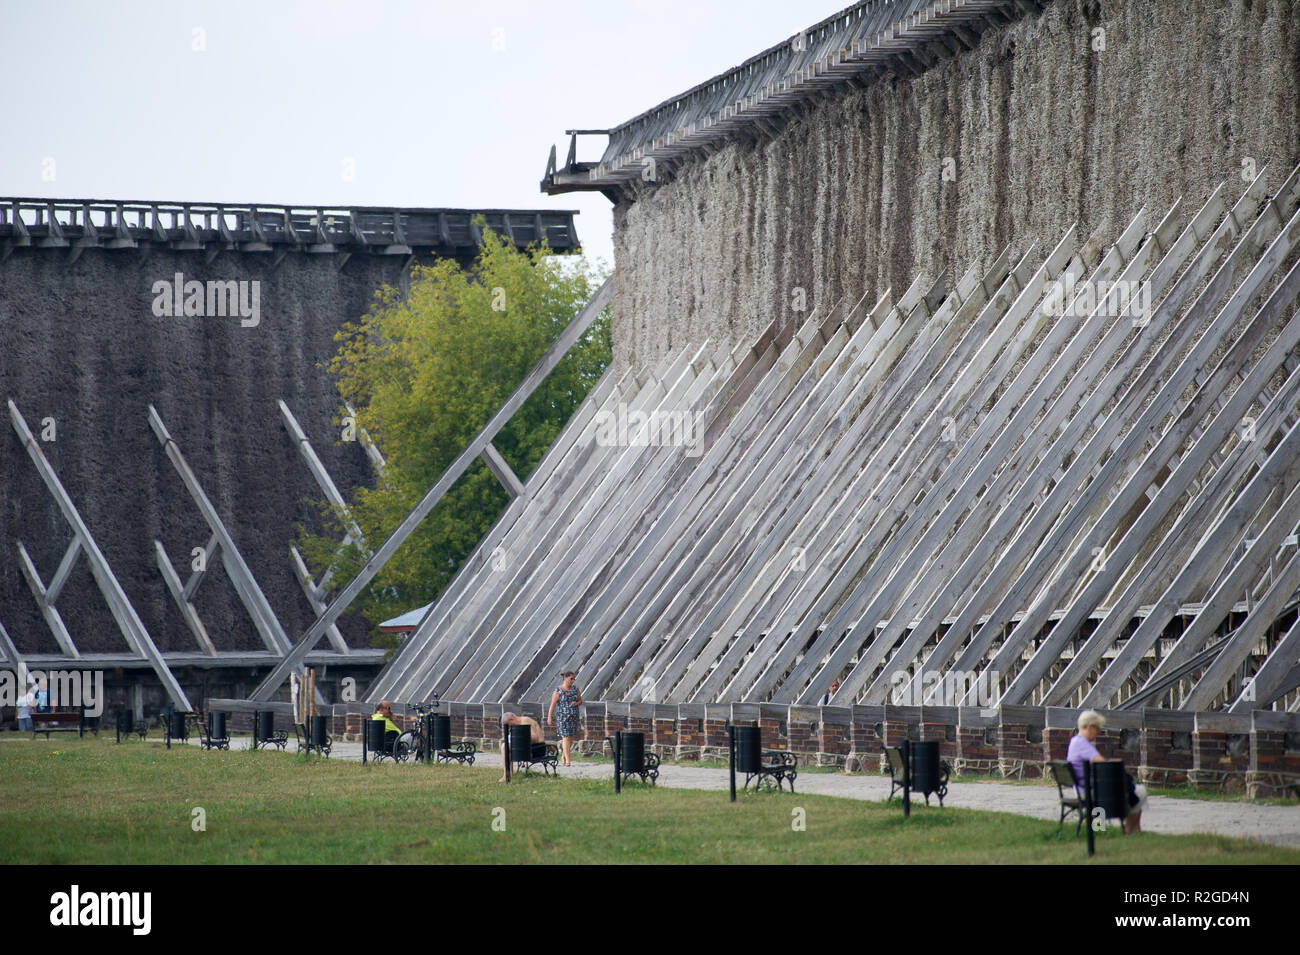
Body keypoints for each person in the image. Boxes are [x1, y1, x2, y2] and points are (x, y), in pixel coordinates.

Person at [1067, 709, 1147, 834]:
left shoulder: (1075, 742)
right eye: (1097, 728)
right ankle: (1130, 830)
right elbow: (1101, 764)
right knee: (1140, 791)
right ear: (1089, 726)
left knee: (1134, 790)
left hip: (1082, 788)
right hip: (1090, 791)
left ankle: (1103, 829)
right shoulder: (1082, 744)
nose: (1098, 732)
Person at [548, 671, 583, 767]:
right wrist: (549, 717)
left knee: (571, 737)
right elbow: (553, 704)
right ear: (565, 678)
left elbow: (580, 700)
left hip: (574, 717)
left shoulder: (575, 689)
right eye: (571, 678)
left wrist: (576, 703)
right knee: (566, 737)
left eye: (573, 679)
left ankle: (564, 755)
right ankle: (567, 760)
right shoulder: (558, 690)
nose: (572, 680)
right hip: (563, 718)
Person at [499, 712, 543, 782]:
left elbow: (534, 738)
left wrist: (518, 741)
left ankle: (507, 775)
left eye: (510, 725)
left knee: (504, 747)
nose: (510, 727)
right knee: (505, 747)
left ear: (511, 719)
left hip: (537, 748)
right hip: (529, 748)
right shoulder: (519, 723)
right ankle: (508, 773)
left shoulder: (525, 721)